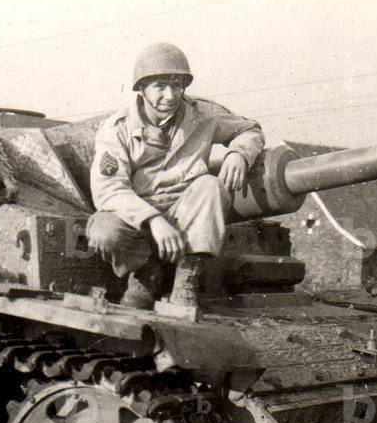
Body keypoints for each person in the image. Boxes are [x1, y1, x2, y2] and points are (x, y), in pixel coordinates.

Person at [87, 43, 264, 312]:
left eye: (177, 85)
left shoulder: (203, 115)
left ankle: (187, 278)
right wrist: (153, 219)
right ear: (141, 88)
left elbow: (250, 129)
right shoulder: (116, 130)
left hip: (185, 212)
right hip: (137, 218)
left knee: (211, 186)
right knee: (103, 230)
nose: (170, 95)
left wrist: (239, 154)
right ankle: (145, 274)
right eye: (160, 86)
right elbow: (109, 190)